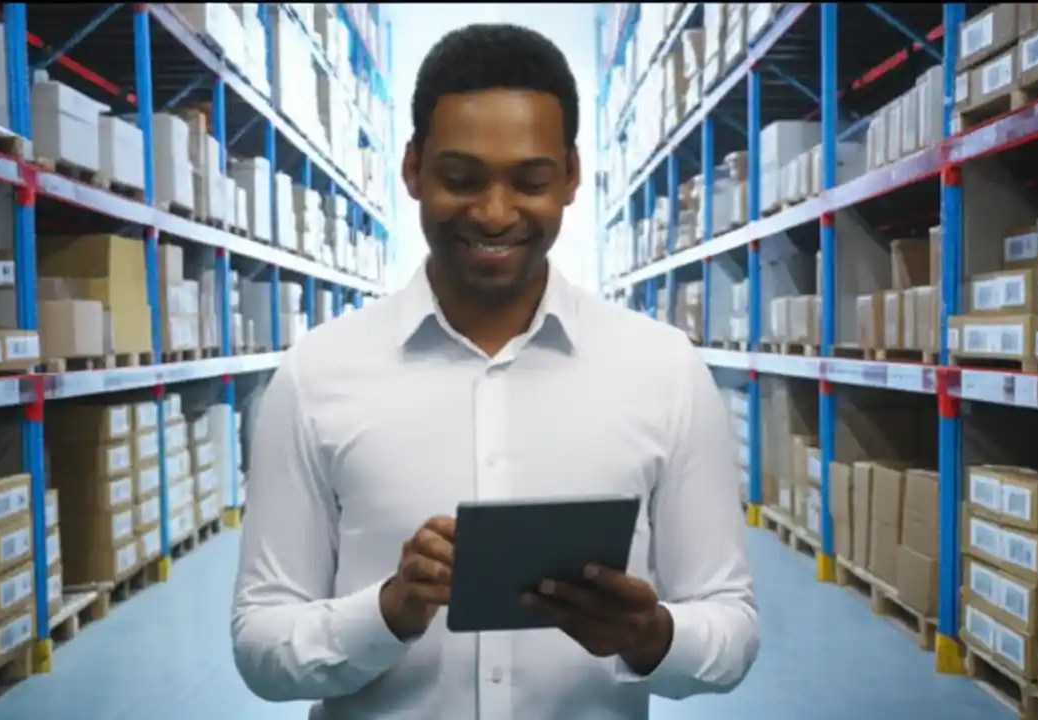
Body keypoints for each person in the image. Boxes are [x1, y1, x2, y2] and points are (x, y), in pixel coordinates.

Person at [232, 23, 758, 720]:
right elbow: (262, 644)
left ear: (571, 177)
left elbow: (732, 625)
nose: (495, 212)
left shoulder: (662, 371)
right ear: (412, 169)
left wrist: (649, 635)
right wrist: (387, 613)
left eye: (531, 181)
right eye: (461, 178)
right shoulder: (316, 376)